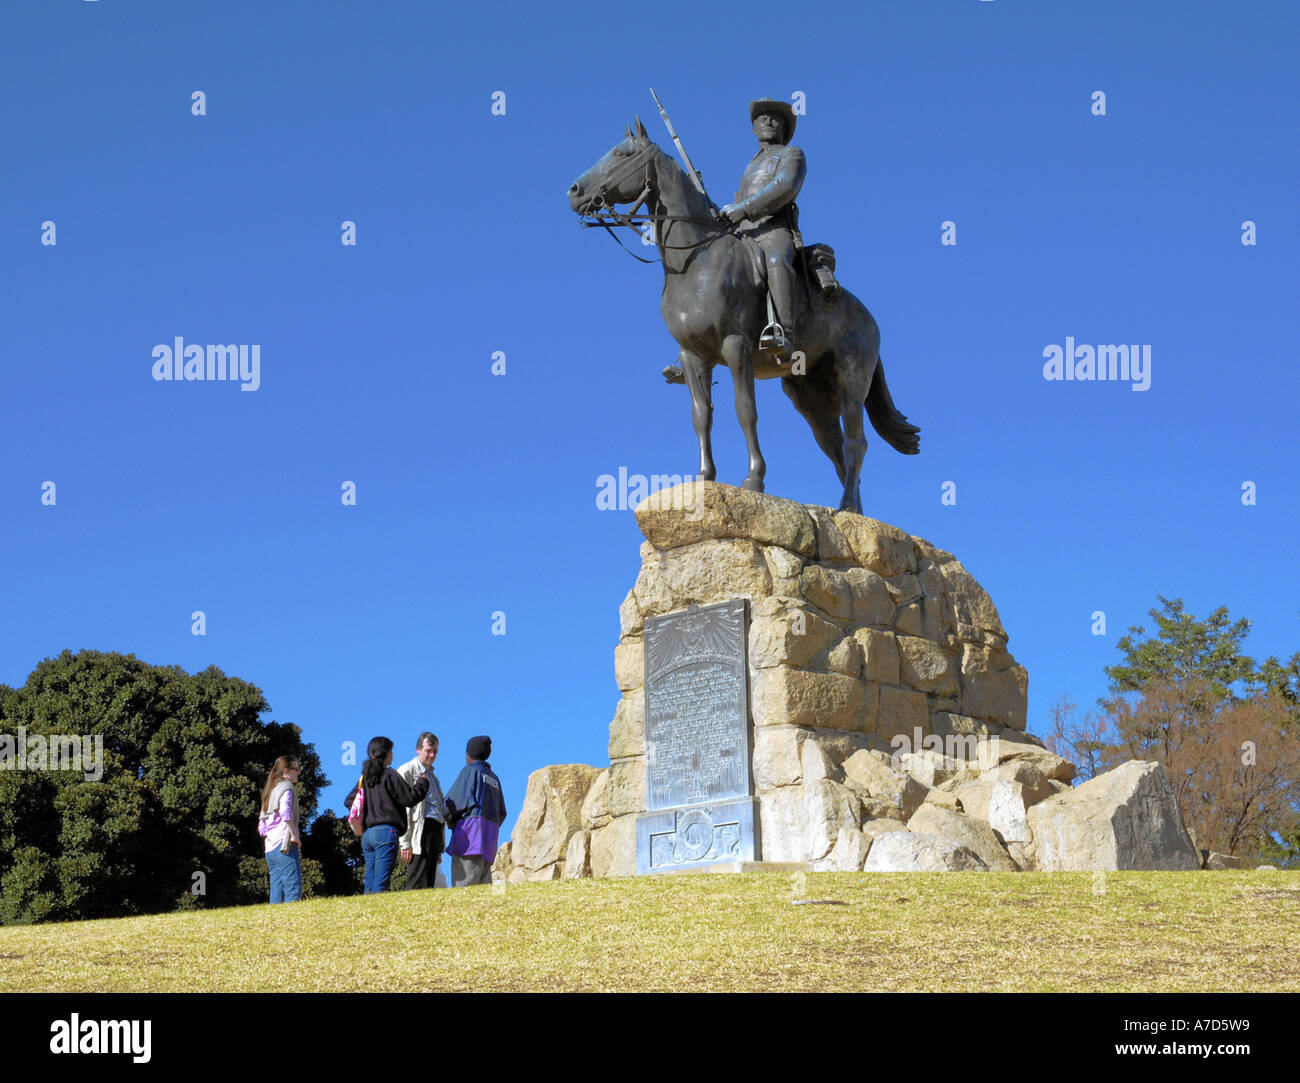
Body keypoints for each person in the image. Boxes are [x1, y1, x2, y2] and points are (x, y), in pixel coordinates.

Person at [663, 97, 806, 382]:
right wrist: (706, 201)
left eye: (775, 118)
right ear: (753, 128)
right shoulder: (750, 166)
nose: (768, 121)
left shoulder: (792, 154)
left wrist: (743, 210)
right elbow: (735, 205)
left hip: (773, 229)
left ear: (783, 128)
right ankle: (695, 344)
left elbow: (784, 187)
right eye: (762, 118)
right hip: (744, 232)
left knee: (777, 258)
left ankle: (784, 333)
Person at [345, 736, 429, 894]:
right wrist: (422, 782)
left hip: (368, 834)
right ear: (387, 753)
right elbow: (409, 798)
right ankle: (377, 914)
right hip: (386, 832)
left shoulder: (365, 778)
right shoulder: (390, 774)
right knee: (382, 881)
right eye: (391, 751)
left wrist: (367, 814)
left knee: (370, 880)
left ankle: (365, 913)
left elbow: (349, 801)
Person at [445, 735, 507, 887]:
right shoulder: (494, 779)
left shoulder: (470, 772)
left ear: (469, 754)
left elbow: (452, 803)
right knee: (483, 891)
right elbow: (502, 812)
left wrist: (448, 820)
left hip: (470, 841)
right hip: (489, 841)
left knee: (464, 888)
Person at [397, 731, 449, 890]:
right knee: (417, 878)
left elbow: (439, 809)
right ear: (418, 750)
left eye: (435, 752)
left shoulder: (433, 776)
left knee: (429, 880)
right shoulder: (407, 770)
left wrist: (440, 846)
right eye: (428, 751)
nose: (432, 755)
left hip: (434, 829)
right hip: (419, 830)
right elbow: (403, 807)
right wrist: (405, 842)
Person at [259, 756, 303, 904]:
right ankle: (292, 921)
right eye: (296, 769)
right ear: (286, 771)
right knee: (293, 887)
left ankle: (274, 922)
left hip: (270, 848)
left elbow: (262, 828)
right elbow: (286, 813)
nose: (298, 773)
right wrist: (294, 835)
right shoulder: (287, 788)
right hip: (283, 844)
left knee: (277, 890)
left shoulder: (270, 791)